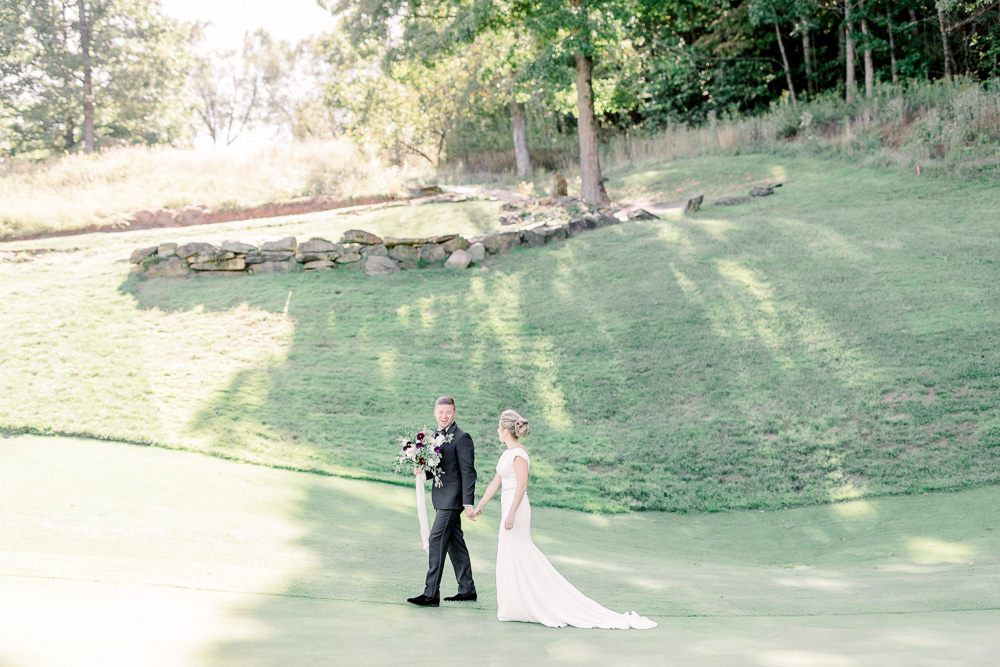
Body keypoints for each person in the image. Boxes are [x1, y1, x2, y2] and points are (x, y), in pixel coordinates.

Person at [473, 410, 657, 629]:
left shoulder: (519, 455)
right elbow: (496, 482)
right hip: (507, 506)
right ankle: (515, 606)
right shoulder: (506, 454)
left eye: (499, 427)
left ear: (505, 430)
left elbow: (521, 485)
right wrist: (481, 504)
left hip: (517, 509)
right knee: (509, 553)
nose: (497, 430)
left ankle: (537, 602)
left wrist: (511, 512)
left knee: (521, 550)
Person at [407, 396, 478, 607]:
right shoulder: (434, 437)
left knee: (436, 541)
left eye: (448, 412)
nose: (444, 416)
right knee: (455, 544)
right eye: (440, 412)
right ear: (435, 413)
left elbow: (468, 472)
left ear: (454, 413)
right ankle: (467, 590)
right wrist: (423, 471)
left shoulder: (462, 438)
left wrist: (468, 503)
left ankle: (431, 594)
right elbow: (442, 467)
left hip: (452, 500)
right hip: (440, 497)